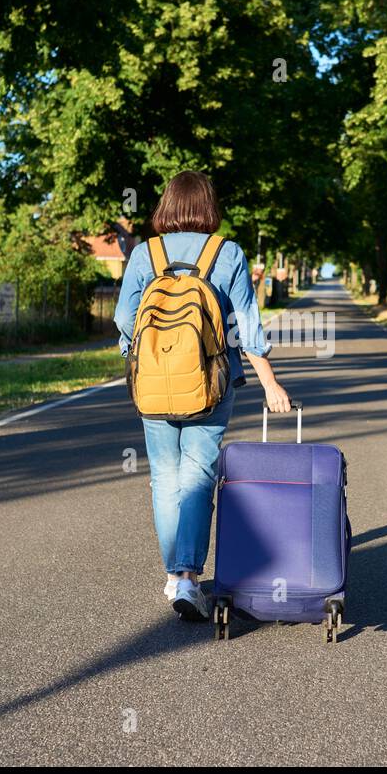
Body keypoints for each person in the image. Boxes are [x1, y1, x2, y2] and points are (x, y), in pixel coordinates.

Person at [114, 171, 291, 620]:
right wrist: (270, 383)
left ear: (166, 206)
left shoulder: (143, 254)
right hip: (210, 384)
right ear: (208, 206)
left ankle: (175, 575)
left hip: (152, 384)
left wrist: (144, 363)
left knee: (163, 479)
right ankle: (188, 577)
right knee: (197, 474)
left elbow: (124, 322)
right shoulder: (226, 252)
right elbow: (245, 329)